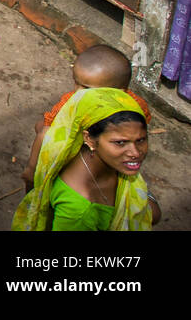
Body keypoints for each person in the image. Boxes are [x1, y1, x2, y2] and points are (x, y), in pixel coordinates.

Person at [13, 88, 158, 231]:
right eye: (120, 143)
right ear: (89, 139)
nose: (135, 153)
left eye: (141, 140)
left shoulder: (78, 152)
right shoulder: (80, 212)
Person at [22, 45, 151, 189]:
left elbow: (45, 134)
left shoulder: (73, 103)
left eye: (87, 88)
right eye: (76, 83)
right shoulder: (136, 105)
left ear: (118, 92)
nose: (78, 91)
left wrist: (31, 170)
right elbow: (45, 133)